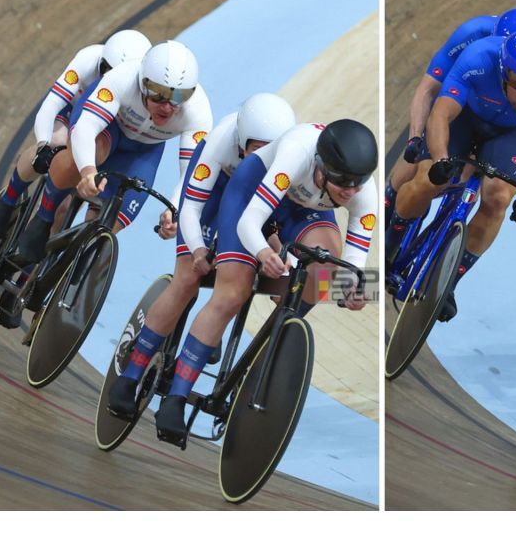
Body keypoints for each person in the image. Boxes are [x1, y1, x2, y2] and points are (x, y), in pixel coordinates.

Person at [130, 119, 378, 441]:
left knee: (326, 266)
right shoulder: (296, 152)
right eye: (344, 181)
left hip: (303, 209)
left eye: (358, 183)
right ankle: (176, 396)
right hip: (252, 193)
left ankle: (270, 344)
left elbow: (356, 263)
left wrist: (354, 295)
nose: (351, 190)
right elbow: (251, 221)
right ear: (323, 166)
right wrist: (263, 253)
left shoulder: (362, 192)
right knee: (234, 291)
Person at [107, 93, 296, 416]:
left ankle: (209, 333)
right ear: (240, 143)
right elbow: (191, 209)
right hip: (215, 191)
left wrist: (293, 264)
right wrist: (196, 250)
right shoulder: (219, 143)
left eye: (271, 151)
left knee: (274, 281)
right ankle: (131, 374)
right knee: (188, 278)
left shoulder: (292, 159)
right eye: (256, 150)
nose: (262, 160)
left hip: (256, 199)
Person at [386, 29, 516, 322]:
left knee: (499, 197)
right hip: (466, 116)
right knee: (428, 177)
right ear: (503, 71)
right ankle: (392, 240)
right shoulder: (478, 56)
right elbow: (440, 114)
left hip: (510, 132)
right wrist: (439, 159)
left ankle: (449, 282)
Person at [15, 40, 213, 263]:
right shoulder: (123, 77)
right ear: (143, 83)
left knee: (108, 227)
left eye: (178, 97)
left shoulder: (198, 111)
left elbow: (192, 173)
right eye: (159, 94)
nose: (167, 106)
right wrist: (88, 170)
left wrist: (175, 211)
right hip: (110, 129)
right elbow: (86, 127)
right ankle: (44, 216)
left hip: (142, 152)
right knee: (80, 158)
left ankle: (62, 270)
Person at [0, 29, 152, 237]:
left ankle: (34, 264)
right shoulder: (87, 59)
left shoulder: (136, 92)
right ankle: (8, 199)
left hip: (105, 130)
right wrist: (43, 144)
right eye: (106, 71)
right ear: (101, 61)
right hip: (72, 112)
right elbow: (52, 103)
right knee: (56, 141)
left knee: (63, 208)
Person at [385, 8, 516, 228]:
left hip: (502, 117)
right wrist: (414, 138)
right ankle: (389, 199)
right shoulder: (472, 34)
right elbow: (428, 89)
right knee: (419, 160)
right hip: (464, 98)